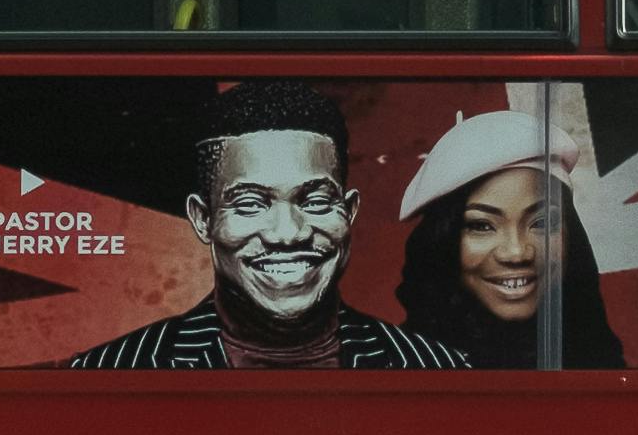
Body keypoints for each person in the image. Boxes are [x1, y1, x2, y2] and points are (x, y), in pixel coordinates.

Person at [70, 84, 479, 369]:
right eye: (250, 204)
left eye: (315, 201)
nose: (288, 233)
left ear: (349, 211)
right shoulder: (115, 370)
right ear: (203, 219)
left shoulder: (432, 367)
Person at [396, 97, 621, 368]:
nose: (517, 252)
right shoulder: (399, 364)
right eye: (481, 226)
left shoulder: (597, 358)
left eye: (541, 222)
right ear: (442, 240)